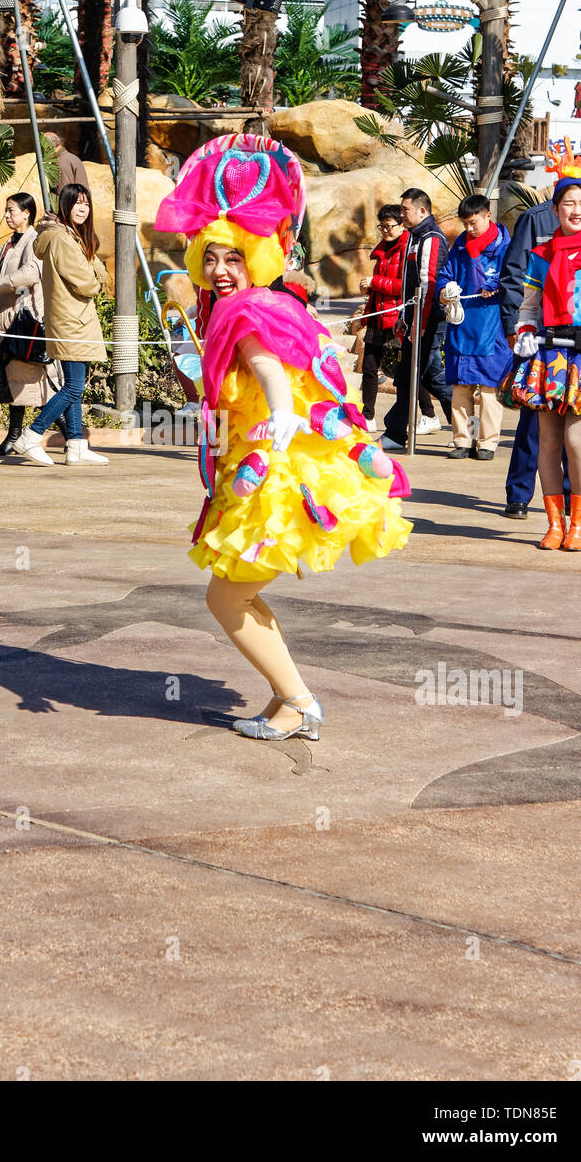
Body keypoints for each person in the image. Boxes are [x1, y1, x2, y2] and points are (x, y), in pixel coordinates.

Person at [154, 134, 412, 743]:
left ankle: (298, 700)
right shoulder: (268, 302)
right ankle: (289, 698)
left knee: (224, 600)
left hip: (273, 478)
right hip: (266, 467)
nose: (219, 270)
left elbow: (268, 368)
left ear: (258, 256)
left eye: (233, 258)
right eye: (211, 257)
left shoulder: (247, 312)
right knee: (233, 595)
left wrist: (279, 420)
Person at [504, 172, 581, 551]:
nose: (576, 211)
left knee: (576, 438)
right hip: (548, 353)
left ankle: (580, 523)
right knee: (547, 440)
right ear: (557, 209)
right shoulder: (541, 256)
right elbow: (529, 304)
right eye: (569, 204)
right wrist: (525, 330)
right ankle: (555, 523)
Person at [14, 182, 109, 466]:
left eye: (86, 203)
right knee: (73, 388)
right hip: (72, 321)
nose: (83, 208)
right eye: (77, 202)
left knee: (73, 384)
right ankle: (32, 435)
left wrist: (94, 268)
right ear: (65, 206)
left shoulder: (69, 237)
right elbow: (89, 283)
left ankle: (76, 443)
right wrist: (96, 270)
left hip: (71, 319)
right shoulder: (64, 240)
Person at [0, 192, 61, 457]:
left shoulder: (34, 240)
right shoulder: (11, 242)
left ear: (26, 213)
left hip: (25, 323)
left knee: (41, 381)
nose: (7, 215)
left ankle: (68, 433)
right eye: (6, 211)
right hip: (8, 321)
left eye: (12, 211)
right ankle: (16, 435)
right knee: (17, 383)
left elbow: (30, 274)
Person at [436, 192, 512, 461]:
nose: (469, 228)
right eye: (465, 223)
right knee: (461, 387)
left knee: (490, 389)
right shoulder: (459, 246)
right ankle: (463, 440)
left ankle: (488, 443)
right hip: (462, 324)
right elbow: (445, 274)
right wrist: (444, 289)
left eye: (474, 222)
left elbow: (516, 279)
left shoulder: (506, 246)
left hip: (492, 327)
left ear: (487, 215)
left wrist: (497, 286)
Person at [381, 188, 453, 450]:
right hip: (413, 319)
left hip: (429, 322)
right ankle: (465, 426)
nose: (401, 214)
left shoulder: (431, 239)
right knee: (425, 376)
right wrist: (403, 314)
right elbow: (408, 285)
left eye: (405, 210)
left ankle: (395, 432)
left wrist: (420, 324)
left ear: (422, 211)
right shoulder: (413, 237)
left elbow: (429, 284)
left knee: (414, 376)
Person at [358, 204, 407, 434]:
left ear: (402, 224)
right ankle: (367, 415)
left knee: (407, 371)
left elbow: (403, 286)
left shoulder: (408, 249)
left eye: (389, 226)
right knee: (369, 366)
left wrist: (374, 282)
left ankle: (428, 412)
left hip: (397, 317)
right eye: (382, 226)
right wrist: (368, 290)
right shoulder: (383, 249)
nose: (385, 230)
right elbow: (381, 282)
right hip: (378, 315)